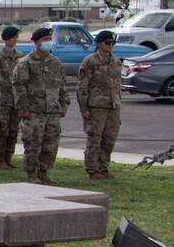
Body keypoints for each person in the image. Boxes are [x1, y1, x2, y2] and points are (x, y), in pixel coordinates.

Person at [13, 27, 70, 184]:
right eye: (45, 39)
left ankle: (43, 171)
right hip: (34, 111)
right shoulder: (26, 63)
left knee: (50, 144)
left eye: (49, 39)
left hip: (52, 111)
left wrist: (63, 106)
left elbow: (63, 87)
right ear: (36, 42)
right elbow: (19, 87)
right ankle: (31, 174)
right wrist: (23, 109)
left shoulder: (55, 63)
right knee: (33, 143)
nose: (48, 42)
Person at [77, 30, 123, 180]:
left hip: (113, 106)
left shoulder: (116, 62)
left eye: (112, 43)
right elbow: (83, 87)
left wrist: (118, 104)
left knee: (109, 139)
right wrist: (84, 109)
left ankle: (103, 168)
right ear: (98, 43)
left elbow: (117, 86)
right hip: (96, 107)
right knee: (94, 139)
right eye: (107, 43)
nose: (110, 45)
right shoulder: (90, 61)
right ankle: (92, 169)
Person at [0, 26, 22, 170]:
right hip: (2, 100)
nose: (14, 40)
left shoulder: (20, 57)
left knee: (13, 130)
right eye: (12, 37)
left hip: (16, 100)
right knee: (1, 130)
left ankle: (9, 157)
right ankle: (0, 159)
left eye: (16, 37)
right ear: (6, 39)